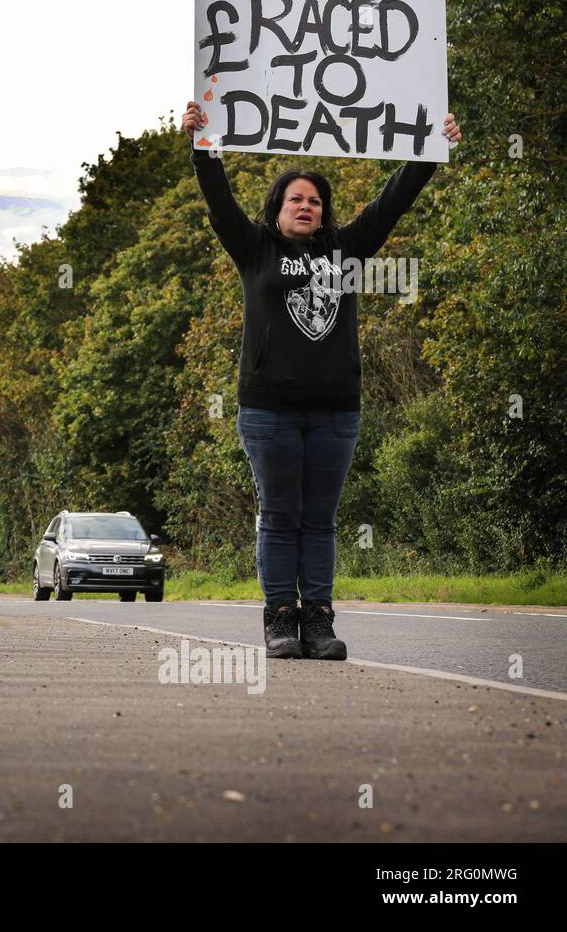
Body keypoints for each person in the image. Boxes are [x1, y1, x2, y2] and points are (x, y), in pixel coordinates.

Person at [182, 99, 461, 659]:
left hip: (336, 410)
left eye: (315, 201)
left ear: (324, 212)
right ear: (278, 210)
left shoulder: (347, 249)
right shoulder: (255, 247)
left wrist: (433, 148)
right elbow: (217, 200)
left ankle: (319, 623)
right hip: (268, 410)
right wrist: (200, 143)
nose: (306, 207)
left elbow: (393, 203)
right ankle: (281, 619)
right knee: (280, 516)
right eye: (296, 200)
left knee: (321, 520)